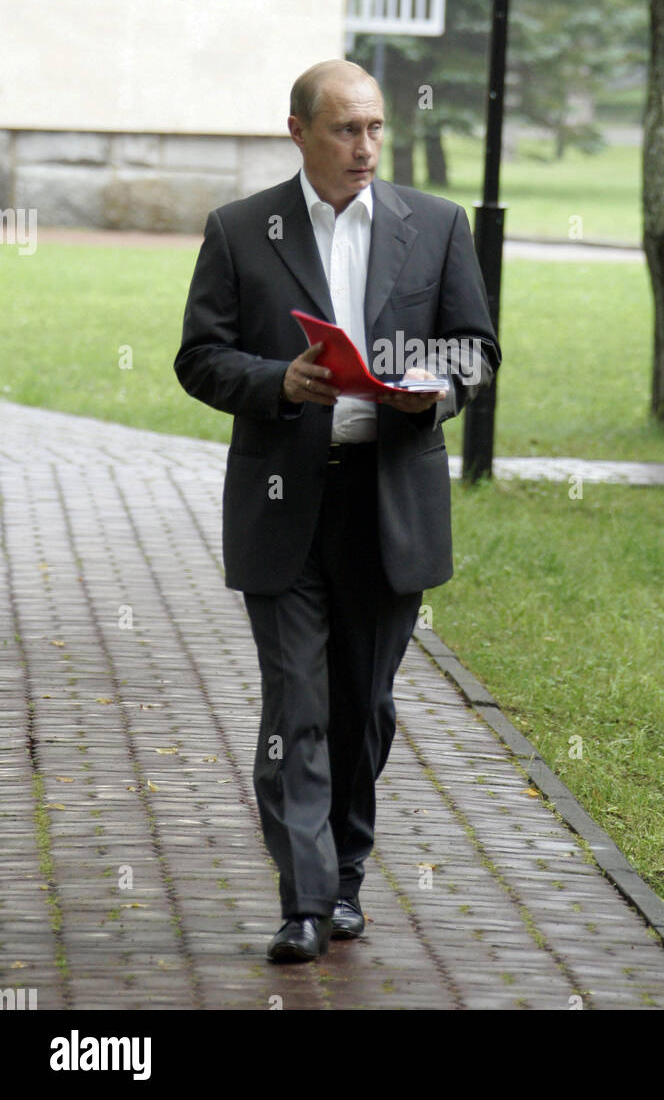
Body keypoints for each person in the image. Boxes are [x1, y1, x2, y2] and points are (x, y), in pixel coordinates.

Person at [174, 58, 500, 963]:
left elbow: (478, 348)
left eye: (376, 129)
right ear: (298, 130)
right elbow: (200, 357)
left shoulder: (434, 226)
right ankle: (305, 902)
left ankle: (347, 874)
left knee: (365, 706)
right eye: (346, 130)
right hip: (285, 504)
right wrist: (278, 379)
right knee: (297, 703)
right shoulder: (242, 230)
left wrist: (431, 389)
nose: (366, 148)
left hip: (390, 500)